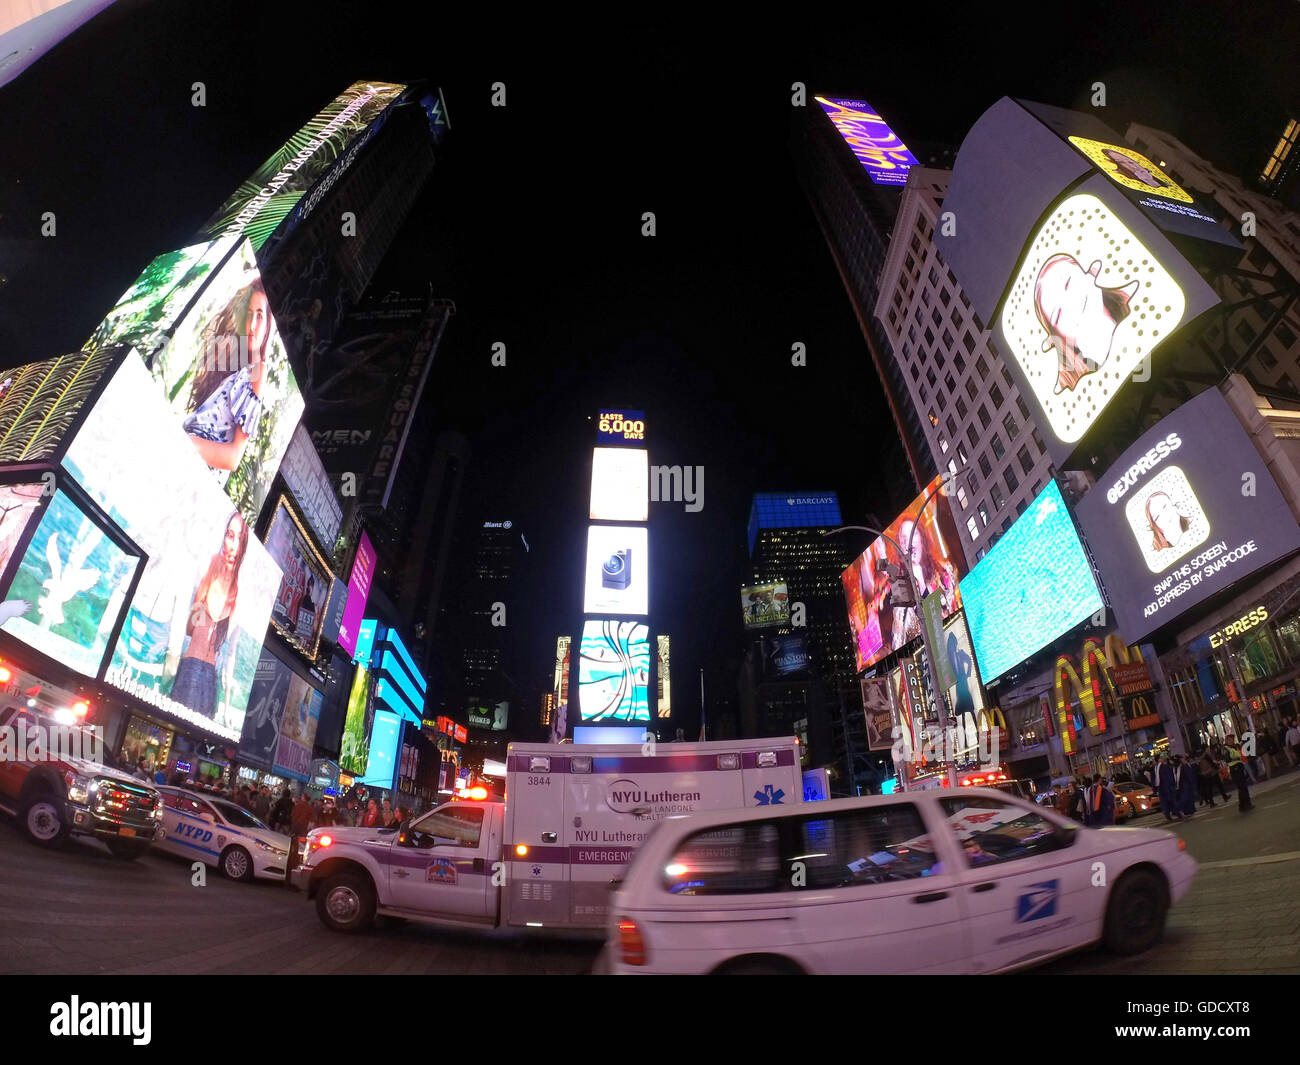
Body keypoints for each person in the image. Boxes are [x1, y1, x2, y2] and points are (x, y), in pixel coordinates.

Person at [182, 279, 274, 473]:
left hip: (195, 467)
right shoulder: (236, 364)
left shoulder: (259, 372)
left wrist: (186, 441)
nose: (252, 326)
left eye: (259, 316)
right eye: (249, 315)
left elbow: (233, 459)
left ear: (267, 327)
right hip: (184, 452)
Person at [170, 512, 249, 719]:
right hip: (191, 669)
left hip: (209, 678)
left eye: (239, 539)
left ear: (244, 546)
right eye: (229, 535)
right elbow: (190, 626)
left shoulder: (238, 592)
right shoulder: (211, 567)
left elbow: (228, 649)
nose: (232, 544)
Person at [1033, 252, 1140, 394]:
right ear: (1060, 336)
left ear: (1087, 272)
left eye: (1067, 283)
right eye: (1058, 315)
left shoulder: (1139, 301)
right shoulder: (1089, 386)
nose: (1070, 304)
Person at [1223, 736, 1255, 812]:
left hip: (1239, 767)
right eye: (1230, 740)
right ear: (1226, 741)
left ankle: (1243, 805)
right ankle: (1246, 805)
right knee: (1242, 787)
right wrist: (1237, 758)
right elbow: (1227, 759)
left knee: (1242, 787)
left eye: (1232, 740)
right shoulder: (1226, 749)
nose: (1231, 741)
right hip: (1234, 768)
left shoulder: (1233, 747)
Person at [1153, 754, 1179, 822]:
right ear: (1159, 759)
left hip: (1160, 787)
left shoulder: (1156, 768)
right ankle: (1175, 812)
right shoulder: (1164, 767)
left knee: (1165, 802)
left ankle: (1168, 813)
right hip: (1166, 787)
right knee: (1171, 800)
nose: (1163, 758)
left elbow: (1155, 779)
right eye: (1161, 758)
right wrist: (1172, 784)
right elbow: (1169, 776)